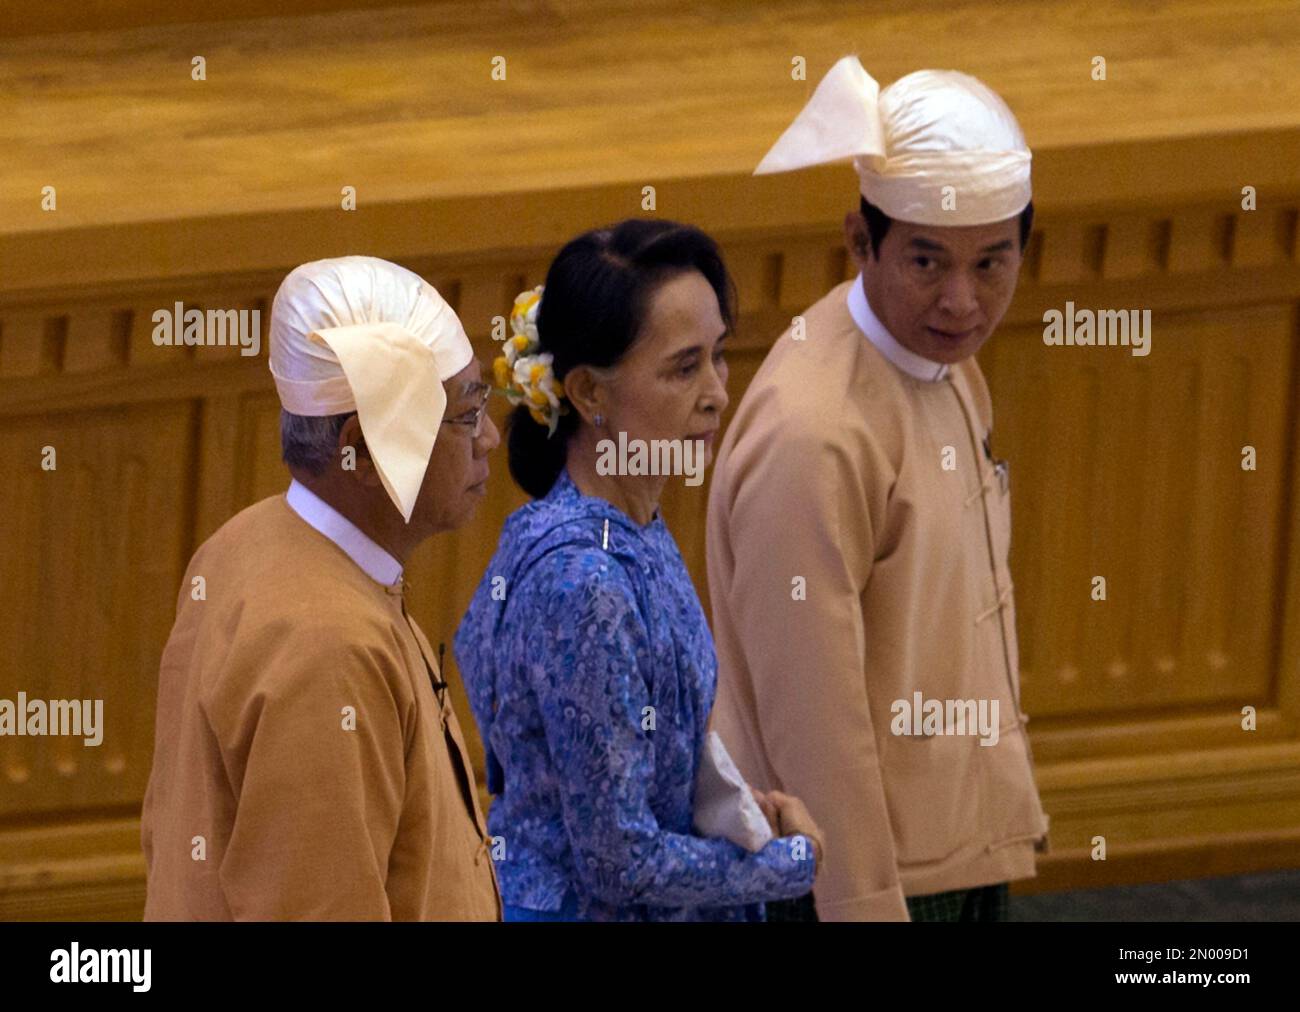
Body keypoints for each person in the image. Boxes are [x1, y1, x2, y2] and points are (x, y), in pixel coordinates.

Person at [707, 57, 1050, 922]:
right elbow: (813, 723)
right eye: (928, 262)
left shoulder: (949, 370)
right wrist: (863, 906)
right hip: (861, 884)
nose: (962, 303)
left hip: (953, 852)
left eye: (991, 265)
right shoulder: (814, 432)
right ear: (860, 241)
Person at [454, 219, 823, 921]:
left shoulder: (624, 527)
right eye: (685, 368)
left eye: (719, 356)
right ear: (590, 393)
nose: (717, 392)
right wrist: (786, 863)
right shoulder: (584, 583)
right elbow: (621, 863)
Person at [141, 256, 502, 920]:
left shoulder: (245, 543)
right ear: (361, 448)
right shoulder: (329, 648)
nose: (490, 439)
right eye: (465, 415)